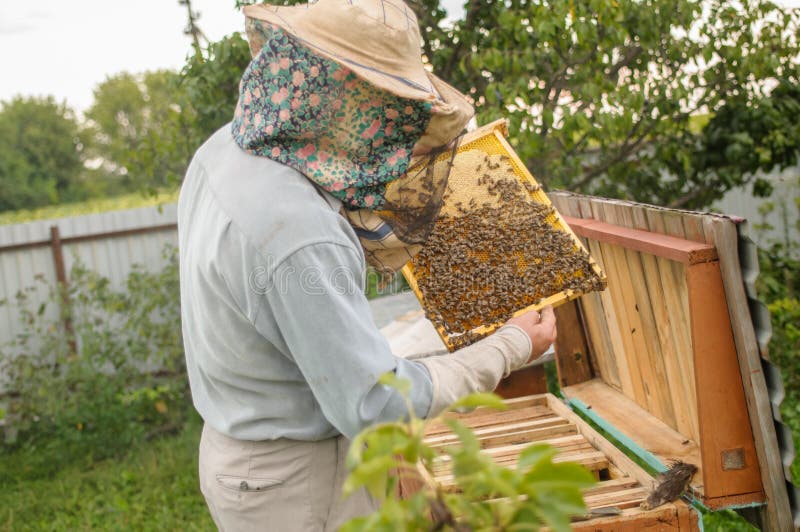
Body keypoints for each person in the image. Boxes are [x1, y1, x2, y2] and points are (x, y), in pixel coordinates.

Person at [176, 1, 557, 530]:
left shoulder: (225, 149)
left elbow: (275, 300)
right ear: (343, 100)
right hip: (300, 488)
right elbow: (376, 403)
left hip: (242, 458)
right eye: (384, 109)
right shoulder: (300, 233)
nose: (391, 130)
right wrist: (512, 344)